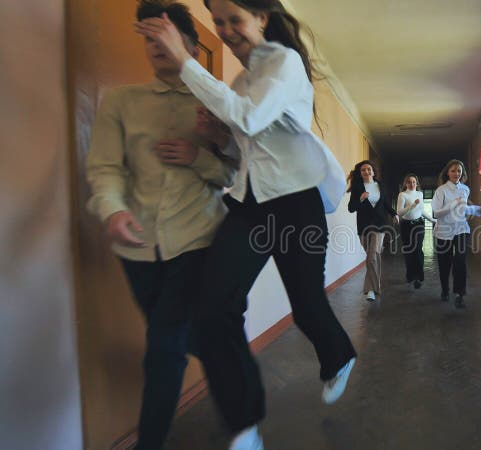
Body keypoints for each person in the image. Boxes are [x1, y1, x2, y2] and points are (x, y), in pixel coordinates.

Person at [135, 2, 357, 449]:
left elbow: (250, 117)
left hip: (296, 203)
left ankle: (338, 356)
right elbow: (248, 152)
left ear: (262, 18)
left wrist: (184, 62)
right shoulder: (240, 82)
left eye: (234, 19)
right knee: (213, 309)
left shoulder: (284, 62)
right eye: (218, 22)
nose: (225, 30)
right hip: (250, 206)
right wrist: (220, 140)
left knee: (306, 306)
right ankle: (245, 423)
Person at [86, 2, 237, 449]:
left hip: (198, 240)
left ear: (189, 42)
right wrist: (112, 210)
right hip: (136, 248)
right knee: (185, 338)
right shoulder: (121, 102)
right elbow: (105, 168)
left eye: (165, 35)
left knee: (164, 346)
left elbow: (232, 175)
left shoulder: (215, 100)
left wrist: (199, 156)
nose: (156, 45)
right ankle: (228, 359)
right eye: (148, 37)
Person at [432, 159, 481, 309]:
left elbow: (463, 209)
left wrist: (475, 210)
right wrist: (454, 203)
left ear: (462, 173)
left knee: (460, 260)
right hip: (444, 230)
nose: (456, 173)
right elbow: (436, 213)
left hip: (461, 228)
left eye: (459, 171)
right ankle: (445, 289)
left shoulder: (465, 189)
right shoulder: (441, 191)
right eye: (453, 170)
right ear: (447, 173)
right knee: (444, 263)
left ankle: (460, 294)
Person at [347, 160, 399, 302]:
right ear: (360, 173)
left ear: (373, 171)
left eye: (368, 169)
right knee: (373, 257)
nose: (366, 171)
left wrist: (394, 214)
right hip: (363, 226)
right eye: (363, 170)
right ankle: (376, 286)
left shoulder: (380, 185)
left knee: (372, 257)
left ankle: (370, 290)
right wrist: (360, 199)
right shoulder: (357, 187)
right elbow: (351, 208)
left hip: (379, 224)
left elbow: (386, 203)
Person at [396, 173, 435, 289]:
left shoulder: (420, 194)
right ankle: (410, 275)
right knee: (409, 251)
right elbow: (399, 212)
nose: (412, 184)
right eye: (409, 182)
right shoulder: (402, 195)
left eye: (414, 182)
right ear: (405, 184)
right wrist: (412, 205)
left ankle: (418, 277)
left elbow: (421, 210)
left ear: (416, 183)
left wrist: (432, 220)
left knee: (417, 249)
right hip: (406, 225)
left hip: (419, 224)